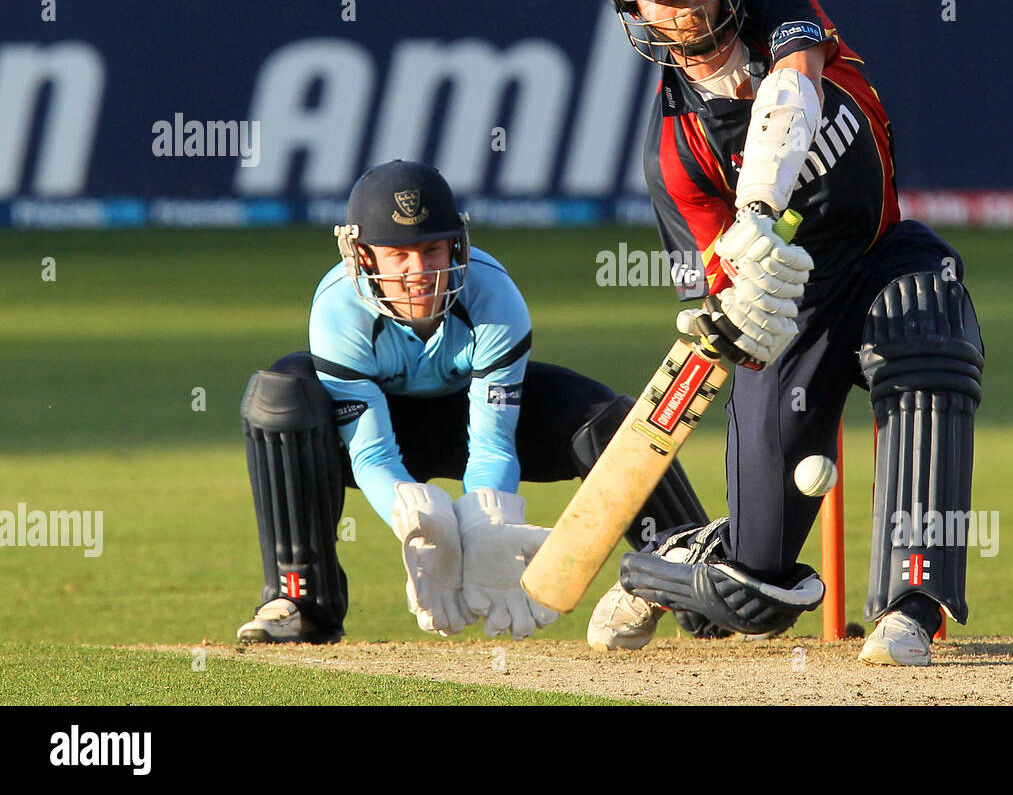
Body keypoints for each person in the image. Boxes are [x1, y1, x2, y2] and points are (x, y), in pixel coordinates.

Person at [591, 0, 984, 665]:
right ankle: (664, 563)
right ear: (634, 11)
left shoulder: (780, 5)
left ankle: (913, 603)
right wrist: (739, 301)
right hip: (796, 317)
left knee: (925, 329)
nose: (691, 4)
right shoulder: (674, 151)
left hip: (880, 251)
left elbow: (793, 88)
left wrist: (762, 204)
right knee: (754, 593)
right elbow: (719, 300)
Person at [237, 161, 707, 643]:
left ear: (456, 245)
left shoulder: (493, 294)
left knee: (607, 420)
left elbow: (492, 442)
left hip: (473, 427)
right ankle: (300, 601)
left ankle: (700, 585)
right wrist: (415, 519)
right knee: (282, 395)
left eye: (431, 249)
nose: (417, 272)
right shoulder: (338, 308)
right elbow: (371, 453)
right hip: (377, 439)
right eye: (397, 253)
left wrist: (489, 523)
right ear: (362, 256)